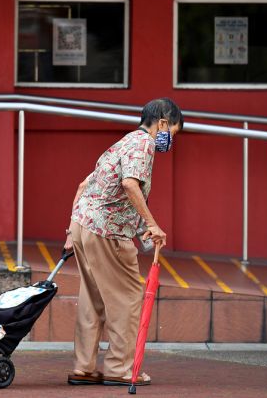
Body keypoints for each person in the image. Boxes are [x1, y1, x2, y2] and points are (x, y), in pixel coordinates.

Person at [64, 98, 183, 386]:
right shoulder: (143, 144)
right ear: (163, 124)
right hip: (107, 232)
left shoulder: (122, 142)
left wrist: (70, 231)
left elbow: (84, 185)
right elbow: (130, 184)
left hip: (83, 225)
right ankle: (119, 368)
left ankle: (84, 367)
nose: (170, 140)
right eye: (173, 133)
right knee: (128, 298)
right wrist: (153, 224)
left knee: (92, 300)